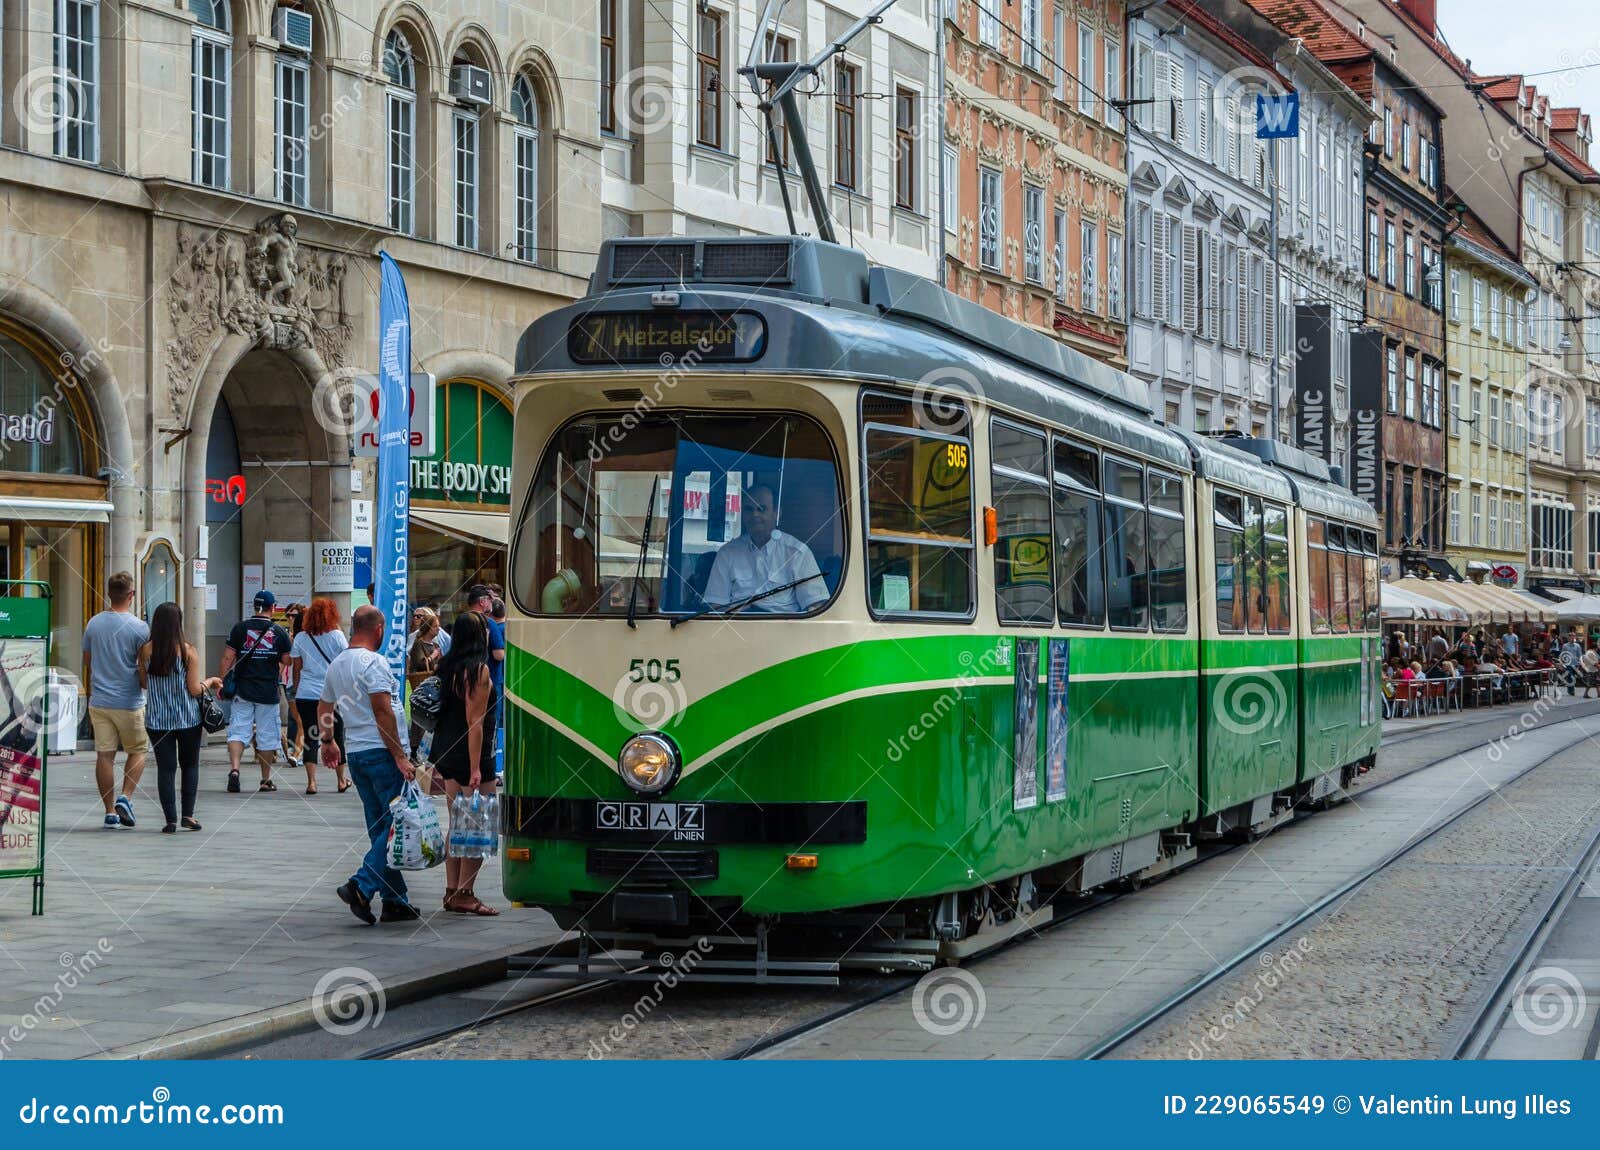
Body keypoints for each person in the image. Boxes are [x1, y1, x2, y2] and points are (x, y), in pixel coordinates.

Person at [321, 605, 418, 924]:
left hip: (358, 754)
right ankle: (361, 884)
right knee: (397, 824)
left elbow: (325, 705)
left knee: (380, 825)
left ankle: (394, 899)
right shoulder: (374, 663)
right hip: (381, 752)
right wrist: (400, 756)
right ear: (378, 629)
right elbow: (382, 712)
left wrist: (327, 740)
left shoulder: (338, 664)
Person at [430, 611, 500, 916]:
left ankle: (452, 891)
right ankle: (466, 892)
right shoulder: (478, 671)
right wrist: (476, 768)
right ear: (479, 635)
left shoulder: (447, 666)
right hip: (471, 757)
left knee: (457, 823)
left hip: (447, 752)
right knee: (477, 826)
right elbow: (476, 723)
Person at [137, 602, 221, 834]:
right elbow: (194, 690)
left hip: (157, 720)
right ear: (178, 624)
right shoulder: (187, 652)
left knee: (166, 769)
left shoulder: (145, 650)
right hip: (187, 719)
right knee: (190, 765)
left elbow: (143, 683)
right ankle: (188, 815)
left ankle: (170, 819)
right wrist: (211, 682)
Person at [81, 572, 151, 829]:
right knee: (138, 751)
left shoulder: (94, 624)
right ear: (130, 595)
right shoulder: (140, 628)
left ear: (109, 593)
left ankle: (110, 811)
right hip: (129, 700)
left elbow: (87, 661)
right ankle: (126, 796)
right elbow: (144, 667)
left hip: (100, 700)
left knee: (105, 756)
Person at [703, 484, 826, 613]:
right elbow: (715, 605)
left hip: (783, 628)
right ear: (743, 514)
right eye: (749, 509)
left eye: (762, 509)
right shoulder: (727, 553)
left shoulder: (796, 552)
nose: (755, 514)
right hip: (736, 626)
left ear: (776, 513)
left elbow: (815, 606)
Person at [218, 590, 293, 793]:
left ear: (254, 607)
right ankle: (265, 780)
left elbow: (227, 658)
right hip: (267, 691)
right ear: (272, 608)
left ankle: (235, 770)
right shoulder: (279, 632)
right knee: (267, 735)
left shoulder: (240, 628)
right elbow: (287, 660)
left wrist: (223, 683)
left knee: (238, 730)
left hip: (243, 689)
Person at [292, 597, 350, 794]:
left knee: (310, 736)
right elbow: (344, 664)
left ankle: (312, 783)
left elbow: (297, 669)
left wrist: (297, 690)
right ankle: (341, 780)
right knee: (337, 736)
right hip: (331, 695)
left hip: (306, 695)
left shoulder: (300, 638)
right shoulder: (337, 636)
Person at [406, 607, 447, 755]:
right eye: (435, 626)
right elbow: (420, 663)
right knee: (420, 718)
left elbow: (440, 665)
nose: (438, 629)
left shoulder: (436, 645)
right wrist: (433, 656)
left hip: (434, 687)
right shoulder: (419, 643)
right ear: (429, 627)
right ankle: (414, 750)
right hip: (422, 685)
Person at [1561, 631, 1585, 696]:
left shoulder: (1577, 646)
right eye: (1571, 637)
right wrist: (1563, 664)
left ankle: (1570, 689)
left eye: (1574, 636)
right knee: (1570, 676)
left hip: (1576, 664)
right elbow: (1563, 655)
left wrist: (1581, 663)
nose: (1572, 638)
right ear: (1569, 638)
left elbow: (1580, 655)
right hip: (1568, 664)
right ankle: (1571, 690)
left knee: (1573, 677)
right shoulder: (1565, 645)